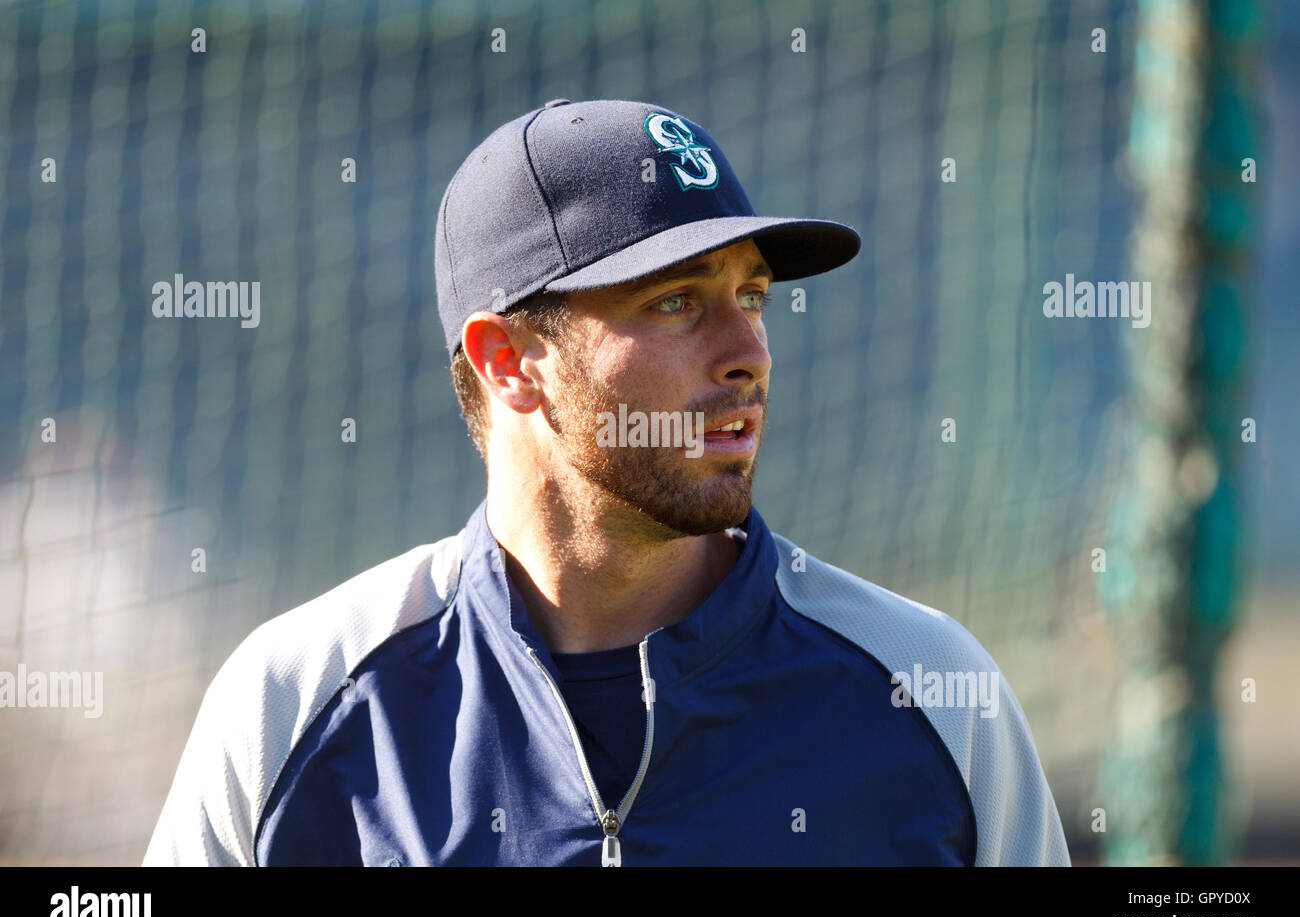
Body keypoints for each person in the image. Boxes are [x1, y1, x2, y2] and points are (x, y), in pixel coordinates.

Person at [143, 98, 1070, 866]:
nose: (751, 354)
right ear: (510, 360)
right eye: (674, 301)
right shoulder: (296, 702)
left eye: (753, 296)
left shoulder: (930, 690)